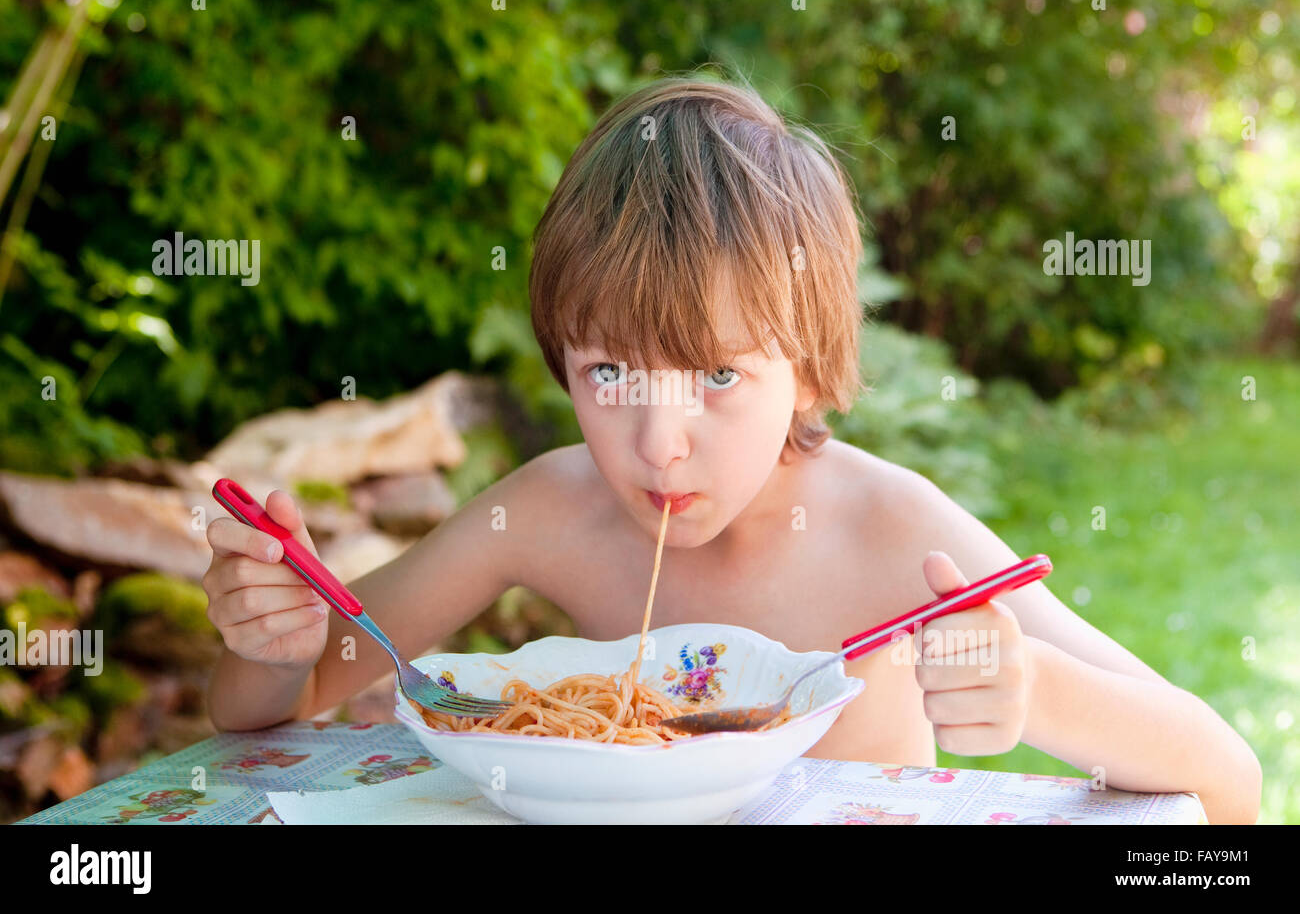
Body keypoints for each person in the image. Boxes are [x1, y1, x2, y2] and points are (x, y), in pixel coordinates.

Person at [202, 74, 1261, 823]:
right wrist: (270, 638)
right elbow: (271, 712)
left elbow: (1227, 783)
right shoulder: (541, 510)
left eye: (717, 375)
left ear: (805, 366)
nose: (661, 443)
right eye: (609, 373)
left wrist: (1037, 692)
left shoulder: (891, 531)